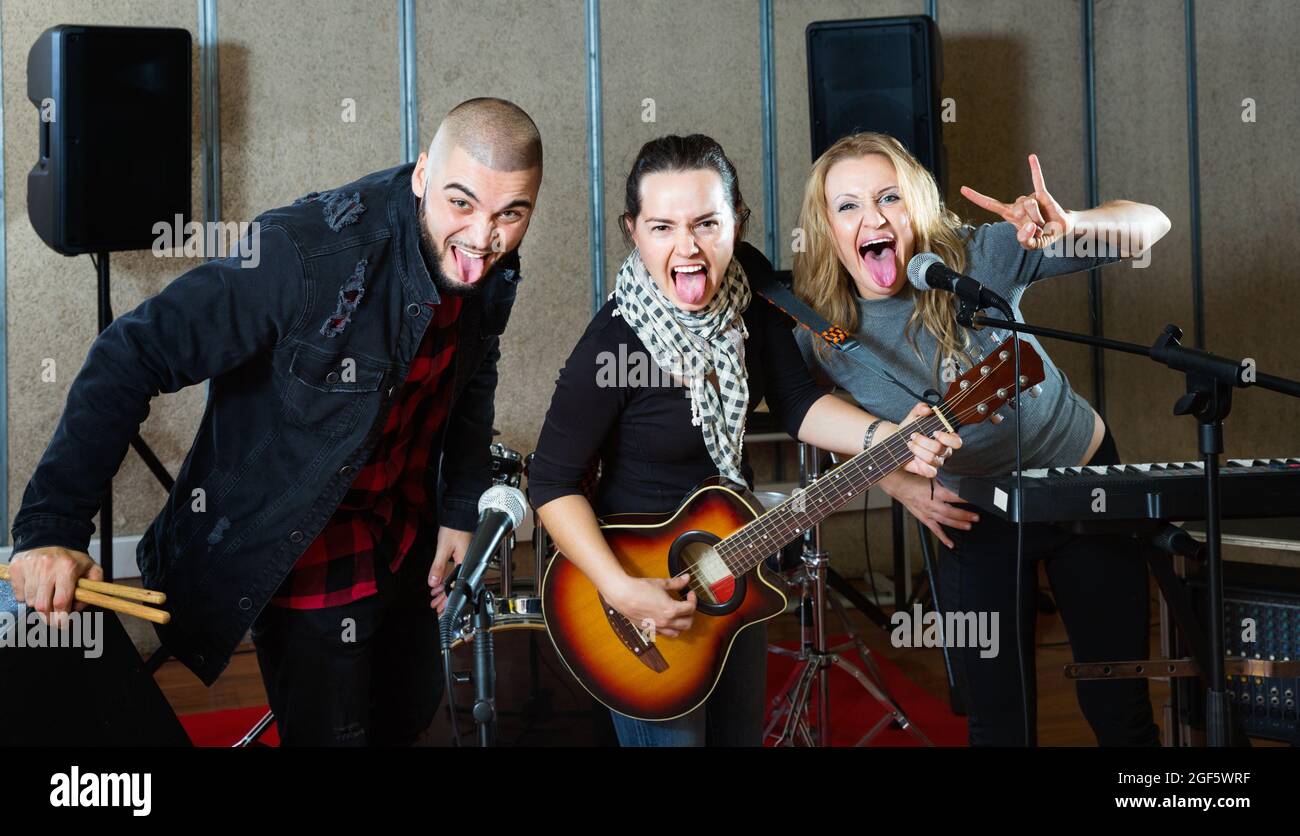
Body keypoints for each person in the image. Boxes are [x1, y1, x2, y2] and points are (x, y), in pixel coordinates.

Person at [6, 97, 543, 746]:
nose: (484, 239)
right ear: (424, 173)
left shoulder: (490, 262)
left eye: (511, 214)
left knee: (407, 716)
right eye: (462, 204)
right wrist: (51, 526)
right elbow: (134, 352)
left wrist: (459, 505)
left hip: (404, 530)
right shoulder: (306, 253)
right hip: (303, 542)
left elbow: (472, 376)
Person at [527, 134, 959, 746]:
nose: (687, 248)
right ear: (632, 230)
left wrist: (890, 437)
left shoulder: (752, 299)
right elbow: (549, 483)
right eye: (662, 227)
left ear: (739, 222)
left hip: (735, 561)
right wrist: (623, 591)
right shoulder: (613, 346)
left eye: (707, 223)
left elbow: (798, 403)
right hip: (641, 596)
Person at [792, 131, 1172, 745]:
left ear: (915, 206)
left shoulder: (975, 260)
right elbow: (810, 414)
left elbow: (1151, 224)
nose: (873, 218)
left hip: (1081, 483)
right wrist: (895, 481)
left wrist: (1069, 222)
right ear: (828, 228)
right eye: (849, 206)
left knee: (1119, 706)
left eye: (889, 197)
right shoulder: (818, 332)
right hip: (973, 515)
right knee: (997, 721)